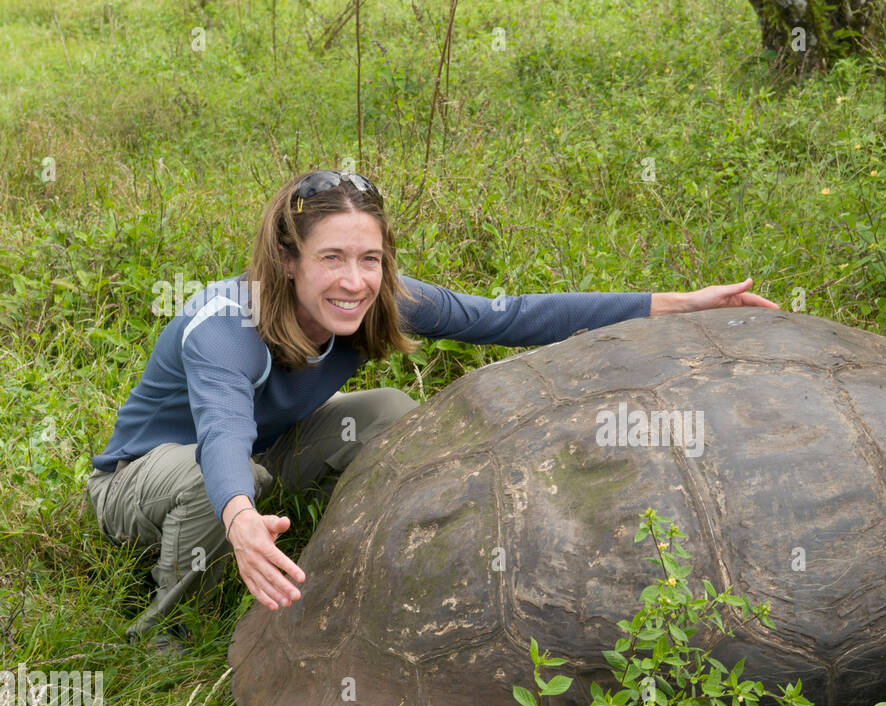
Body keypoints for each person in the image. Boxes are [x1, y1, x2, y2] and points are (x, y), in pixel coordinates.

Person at [87, 170, 779, 643]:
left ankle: (333, 553)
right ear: (289, 259)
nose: (354, 281)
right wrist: (239, 516)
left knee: (386, 409)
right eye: (332, 258)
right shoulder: (223, 326)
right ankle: (165, 625)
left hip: (255, 460)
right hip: (142, 481)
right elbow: (221, 433)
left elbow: (513, 317)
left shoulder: (373, 298)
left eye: (370, 257)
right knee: (234, 480)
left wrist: (673, 307)